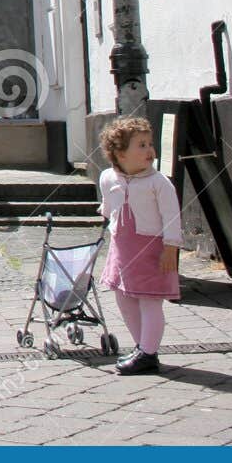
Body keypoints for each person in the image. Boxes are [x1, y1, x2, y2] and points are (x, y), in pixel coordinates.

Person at [97, 116, 181, 375]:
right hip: (123, 250)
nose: (150, 151)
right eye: (141, 145)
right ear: (120, 153)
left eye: (150, 144)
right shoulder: (108, 178)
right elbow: (108, 210)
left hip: (151, 250)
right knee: (124, 296)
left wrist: (171, 248)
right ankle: (141, 345)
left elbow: (172, 216)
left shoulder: (158, 183)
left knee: (149, 300)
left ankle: (148, 353)